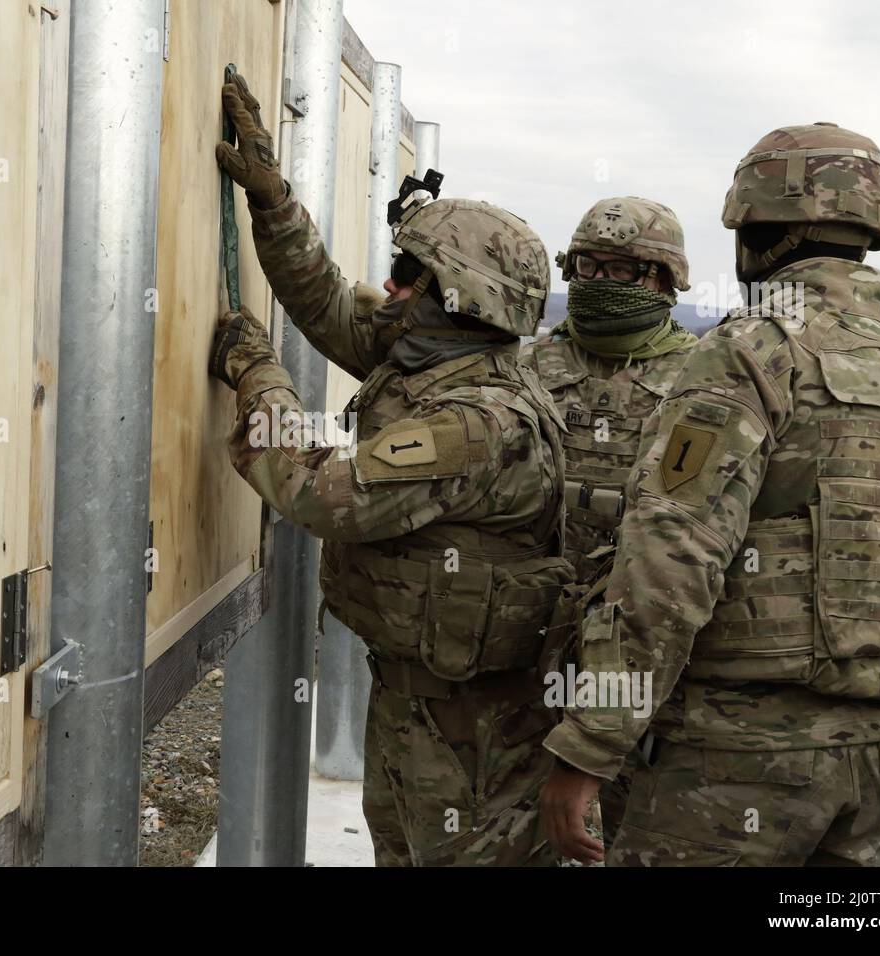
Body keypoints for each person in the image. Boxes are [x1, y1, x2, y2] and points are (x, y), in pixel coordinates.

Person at [540, 122, 880, 866]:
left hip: (734, 763)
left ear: (755, 229)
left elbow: (670, 559)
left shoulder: (750, 351)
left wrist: (591, 745)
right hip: (874, 754)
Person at [210, 72, 573, 865]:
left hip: (474, 735)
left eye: (411, 277)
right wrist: (273, 204)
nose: (392, 288)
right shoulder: (438, 355)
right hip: (417, 702)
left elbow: (317, 494)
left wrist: (255, 375)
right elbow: (328, 301)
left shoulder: (478, 423)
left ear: (460, 302)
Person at [519, 198, 698, 843]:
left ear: (661, 280)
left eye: (618, 271)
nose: (595, 283)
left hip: (639, 640)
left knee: (639, 826)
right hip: (527, 634)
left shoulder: (701, 379)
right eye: (585, 267)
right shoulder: (529, 365)